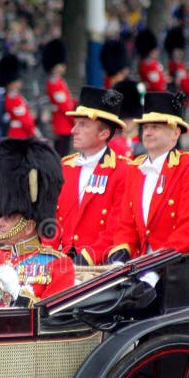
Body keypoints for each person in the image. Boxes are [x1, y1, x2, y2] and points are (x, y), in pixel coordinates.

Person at [0, 137, 74, 308]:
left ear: (29, 226)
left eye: (8, 217)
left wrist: (18, 296)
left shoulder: (58, 265)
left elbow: (51, 319)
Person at [104, 91, 189, 263]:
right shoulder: (135, 169)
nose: (147, 132)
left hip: (182, 264)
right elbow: (126, 224)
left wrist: (154, 268)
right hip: (143, 264)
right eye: (145, 127)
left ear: (175, 134)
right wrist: (120, 257)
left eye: (156, 127)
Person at [54, 86, 130, 265]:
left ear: (103, 133)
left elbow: (116, 226)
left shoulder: (123, 171)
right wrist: (50, 256)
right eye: (75, 123)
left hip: (99, 265)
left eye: (83, 125)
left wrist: (87, 258)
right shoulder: (64, 166)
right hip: (61, 263)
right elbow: (52, 220)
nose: (73, 131)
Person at [41, 39, 75, 156]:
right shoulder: (54, 84)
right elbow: (64, 106)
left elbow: (68, 101)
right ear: (55, 67)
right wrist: (75, 119)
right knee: (62, 156)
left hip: (65, 124)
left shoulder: (59, 82)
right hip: (62, 125)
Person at [0, 53, 40, 139]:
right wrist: (36, 134)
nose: (20, 82)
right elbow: (26, 122)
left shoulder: (12, 97)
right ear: (11, 83)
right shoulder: (13, 99)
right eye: (17, 81)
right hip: (20, 135)